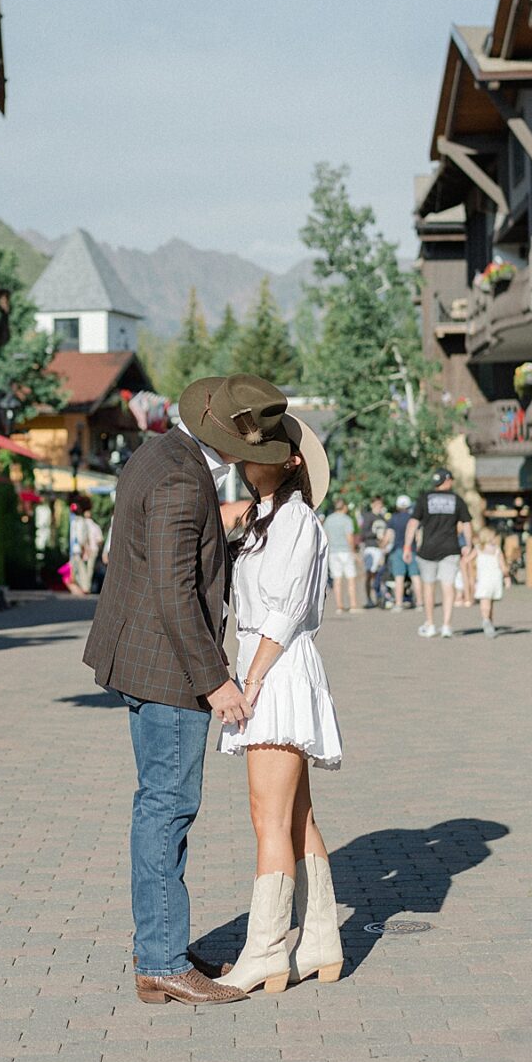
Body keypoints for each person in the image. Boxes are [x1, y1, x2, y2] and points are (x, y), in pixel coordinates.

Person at [83, 373, 288, 1008]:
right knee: (168, 807)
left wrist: (214, 528)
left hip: (140, 657)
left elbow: (160, 554)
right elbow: (175, 594)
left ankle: (160, 948)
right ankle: (164, 961)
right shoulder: (180, 479)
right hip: (168, 669)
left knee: (159, 805)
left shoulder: (160, 454)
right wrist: (216, 680)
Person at [216, 415, 343, 994]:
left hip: (276, 665)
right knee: (293, 817)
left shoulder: (295, 519)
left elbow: (286, 610)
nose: (247, 459)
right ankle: (320, 939)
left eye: (262, 450)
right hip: (269, 663)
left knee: (267, 815)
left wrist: (251, 681)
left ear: (293, 461)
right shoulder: (262, 519)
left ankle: (266, 949)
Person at [404, 469, 472, 640]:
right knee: (448, 587)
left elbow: (413, 523)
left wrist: (407, 546)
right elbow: (466, 523)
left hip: (428, 549)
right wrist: (468, 545)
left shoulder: (424, 498)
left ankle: (431, 624)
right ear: (447, 480)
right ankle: (447, 626)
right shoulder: (456, 499)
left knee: (429, 586)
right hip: (450, 549)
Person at [322, 496, 358, 612]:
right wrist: (353, 552)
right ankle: (353, 605)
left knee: (337, 579)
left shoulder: (329, 520)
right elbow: (350, 538)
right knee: (350, 578)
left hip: (333, 552)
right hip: (346, 551)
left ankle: (339, 606)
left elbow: (325, 537)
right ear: (345, 507)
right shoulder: (347, 520)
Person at [473, 526, 510, 637]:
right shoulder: (496, 550)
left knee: (487, 602)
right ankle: (487, 621)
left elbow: (467, 560)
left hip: (486, 580)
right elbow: (503, 567)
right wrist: (507, 577)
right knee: (488, 602)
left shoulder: (480, 549)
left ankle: (487, 620)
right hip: (492, 580)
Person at [387, 494, 421, 611]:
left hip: (398, 550)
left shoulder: (393, 518)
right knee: (415, 576)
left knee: (399, 577)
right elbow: (418, 535)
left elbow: (389, 535)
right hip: (412, 550)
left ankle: (399, 603)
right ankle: (420, 603)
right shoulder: (413, 518)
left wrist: (383, 545)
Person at [359, 496, 392, 608]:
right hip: (371, 547)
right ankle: (369, 599)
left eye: (380, 504)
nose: (379, 506)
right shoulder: (368, 517)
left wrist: (385, 540)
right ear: (372, 504)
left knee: (380, 575)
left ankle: (379, 597)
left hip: (381, 549)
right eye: (377, 504)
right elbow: (363, 534)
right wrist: (376, 535)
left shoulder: (383, 517)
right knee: (369, 574)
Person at [68, 496, 104, 595]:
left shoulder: (80, 522)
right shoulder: (77, 521)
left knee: (83, 569)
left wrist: (83, 547)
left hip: (80, 548)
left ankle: (85, 587)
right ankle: (84, 586)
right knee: (81, 569)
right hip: (79, 548)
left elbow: (81, 536)